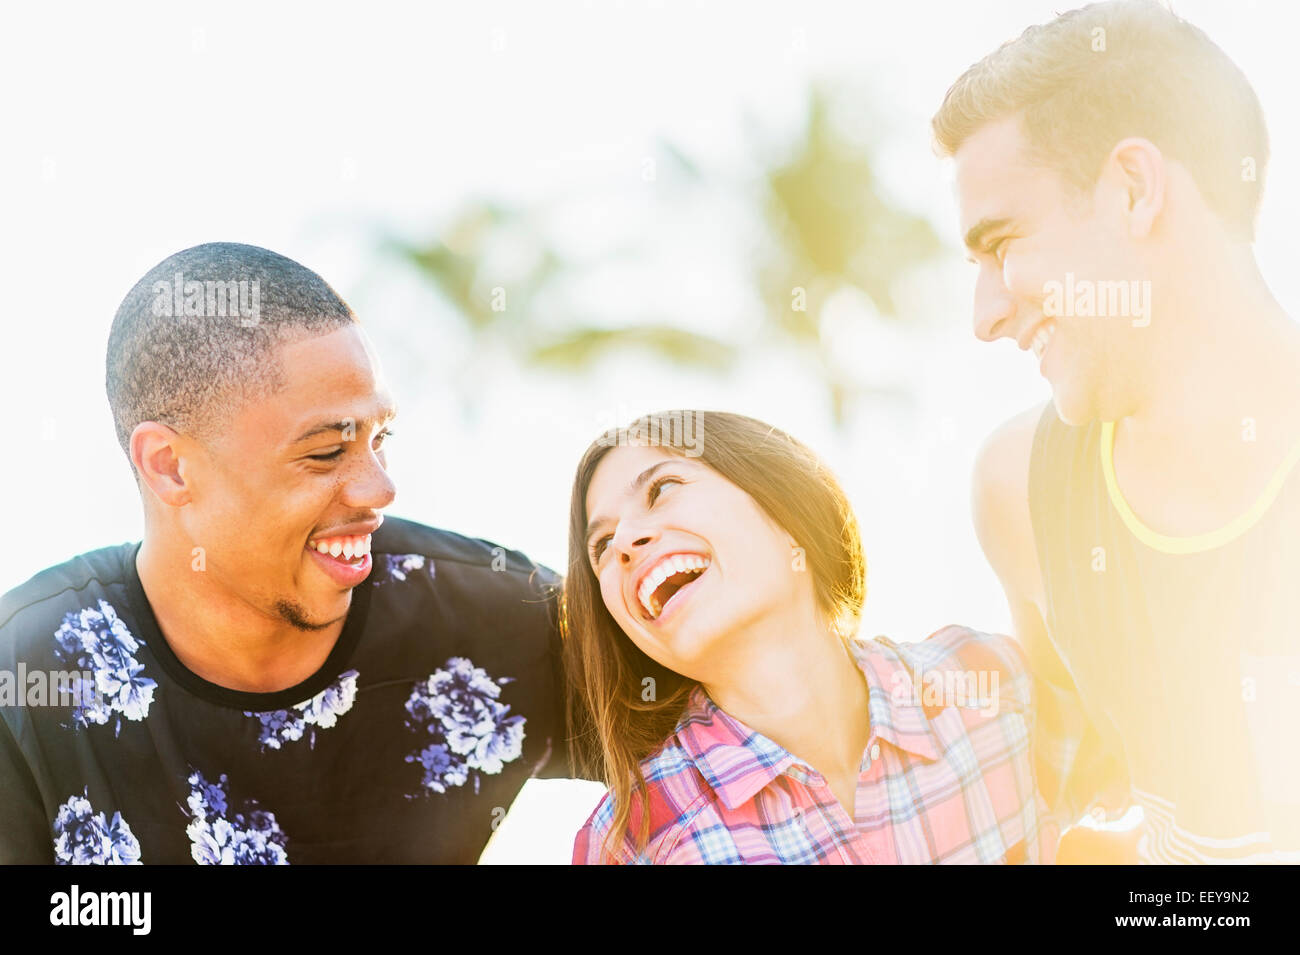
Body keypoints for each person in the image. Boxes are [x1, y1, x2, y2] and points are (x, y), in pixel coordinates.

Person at [0, 242, 572, 864]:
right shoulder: (25, 679)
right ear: (170, 468)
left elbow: (690, 735)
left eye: (381, 438)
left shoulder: (499, 615)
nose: (380, 488)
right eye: (326, 452)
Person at [933, 0, 1300, 862]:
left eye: (1004, 244)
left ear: (1134, 189)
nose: (986, 316)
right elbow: (1099, 785)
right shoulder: (1021, 492)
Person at [565, 410, 1056, 864]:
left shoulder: (986, 681)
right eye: (602, 545)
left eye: (662, 488)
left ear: (787, 509)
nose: (625, 542)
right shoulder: (633, 840)